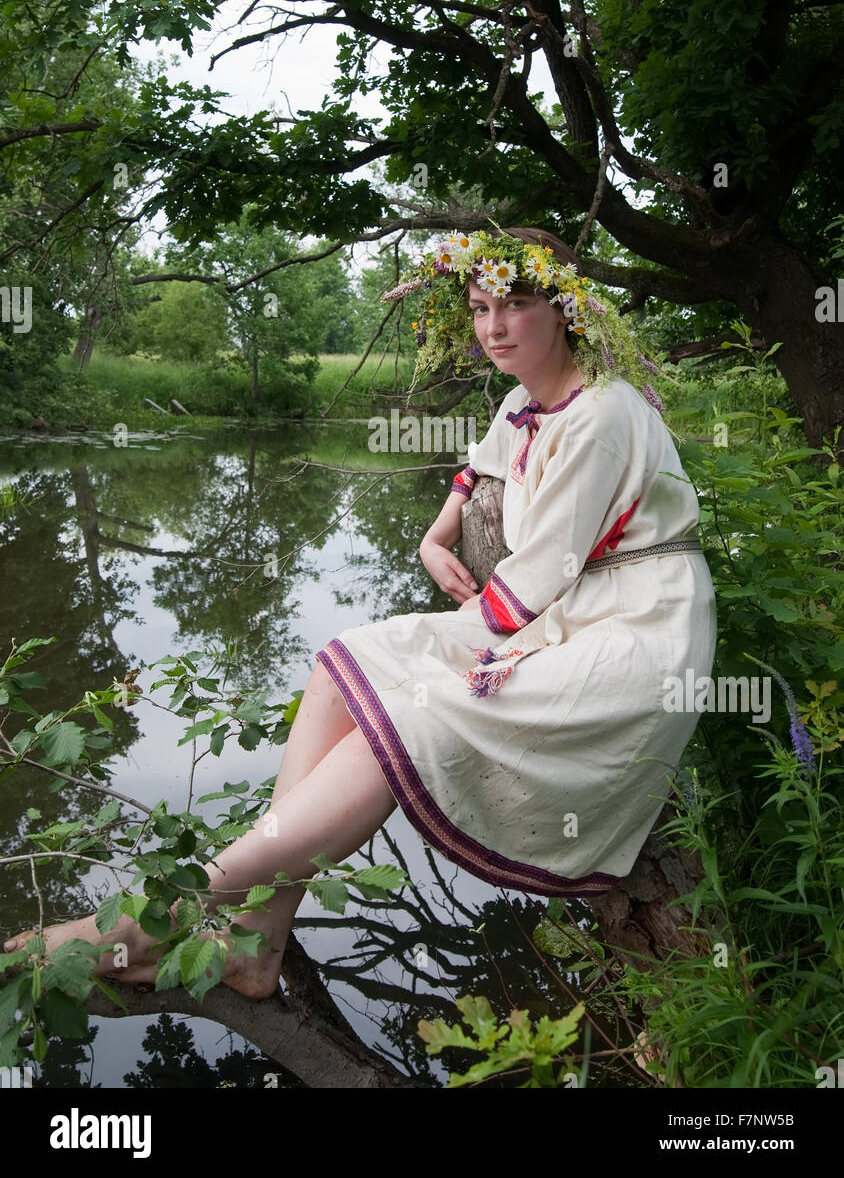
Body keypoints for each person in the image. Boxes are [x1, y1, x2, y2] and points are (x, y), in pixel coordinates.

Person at [4, 226, 717, 999]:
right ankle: (263, 927)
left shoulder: (602, 410)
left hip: (633, 628)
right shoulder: (524, 401)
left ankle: (176, 909)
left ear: (566, 309)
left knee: (419, 711)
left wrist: (454, 654)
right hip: (566, 606)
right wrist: (439, 527)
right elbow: (480, 467)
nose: (494, 328)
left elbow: (539, 573)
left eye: (515, 305)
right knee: (344, 663)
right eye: (479, 309)